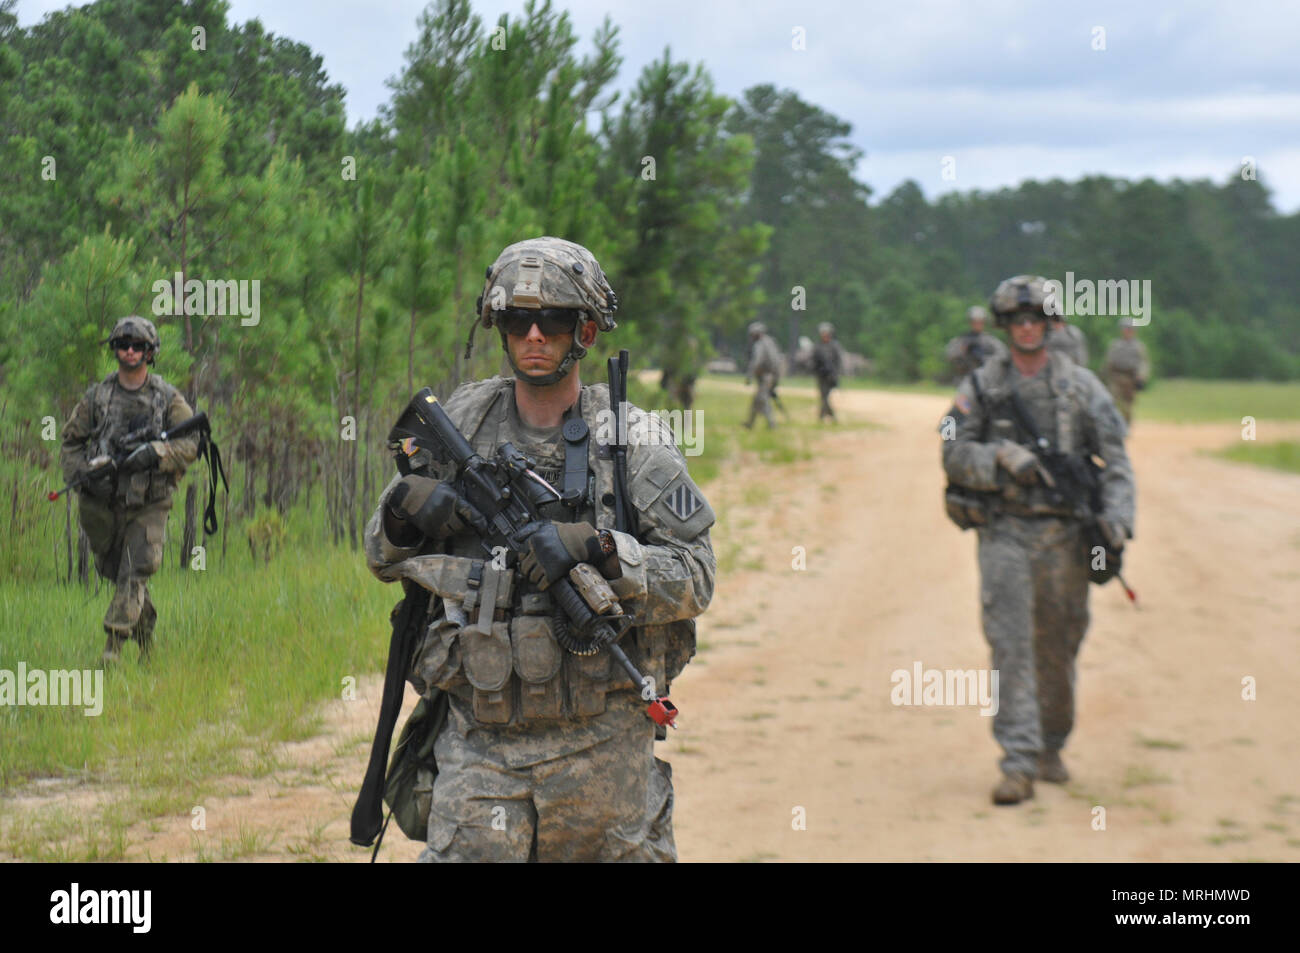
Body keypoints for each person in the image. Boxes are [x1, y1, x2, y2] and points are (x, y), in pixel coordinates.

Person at [364, 237, 716, 862]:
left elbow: (697, 576)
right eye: (515, 320)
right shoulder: (463, 422)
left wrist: (601, 549)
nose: (532, 335)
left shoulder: (630, 438)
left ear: (585, 331)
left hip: (602, 745)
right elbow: (379, 556)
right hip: (480, 742)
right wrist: (405, 511)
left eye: (551, 320)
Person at [940, 276, 1135, 805]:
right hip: (1005, 531)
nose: (1026, 329)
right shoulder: (981, 386)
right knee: (1010, 644)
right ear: (1005, 327)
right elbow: (950, 446)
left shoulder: (1082, 387)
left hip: (1065, 539)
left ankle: (1051, 743)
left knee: (1059, 644)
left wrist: (1117, 522)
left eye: (1035, 320)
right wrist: (1000, 457)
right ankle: (1018, 761)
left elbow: (1117, 461)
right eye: (1017, 321)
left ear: (1051, 325)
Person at [59, 316, 199, 663]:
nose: (130, 351)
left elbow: (192, 442)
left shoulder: (166, 397)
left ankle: (113, 649)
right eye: (124, 345)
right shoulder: (98, 397)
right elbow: (71, 442)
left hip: (150, 501)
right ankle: (146, 640)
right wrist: (84, 474)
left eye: (138, 346)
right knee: (116, 572)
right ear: (115, 350)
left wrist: (157, 453)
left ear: (150, 352)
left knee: (137, 569)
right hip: (104, 503)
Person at [1100, 317, 1150, 424]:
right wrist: (1102, 376)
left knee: (1127, 406)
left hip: (1130, 380)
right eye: (1126, 328)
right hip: (1116, 378)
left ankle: (1125, 426)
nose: (1127, 331)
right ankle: (1113, 425)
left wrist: (1141, 377)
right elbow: (1108, 362)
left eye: (1130, 329)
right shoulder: (1115, 345)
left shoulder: (1138, 347)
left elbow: (1143, 363)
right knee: (1113, 402)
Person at [944, 306, 1008, 381]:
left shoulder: (991, 341)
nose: (977, 324)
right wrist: (963, 350)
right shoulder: (962, 340)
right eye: (974, 322)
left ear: (984, 322)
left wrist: (987, 359)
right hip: (965, 377)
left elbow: (1004, 356)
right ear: (970, 322)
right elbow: (949, 355)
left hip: (986, 378)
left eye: (980, 322)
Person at [743, 321, 782, 429]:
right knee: (757, 400)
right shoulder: (770, 342)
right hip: (772, 376)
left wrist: (749, 376)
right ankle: (750, 423)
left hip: (765, 376)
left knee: (763, 400)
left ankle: (772, 424)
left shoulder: (760, 344)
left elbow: (756, 362)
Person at [811, 321, 845, 423]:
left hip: (831, 376)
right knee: (823, 396)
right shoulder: (818, 347)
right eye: (823, 333)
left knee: (825, 396)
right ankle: (829, 416)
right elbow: (813, 361)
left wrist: (836, 374)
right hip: (821, 376)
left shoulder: (834, 346)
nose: (824, 335)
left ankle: (823, 416)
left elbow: (838, 361)